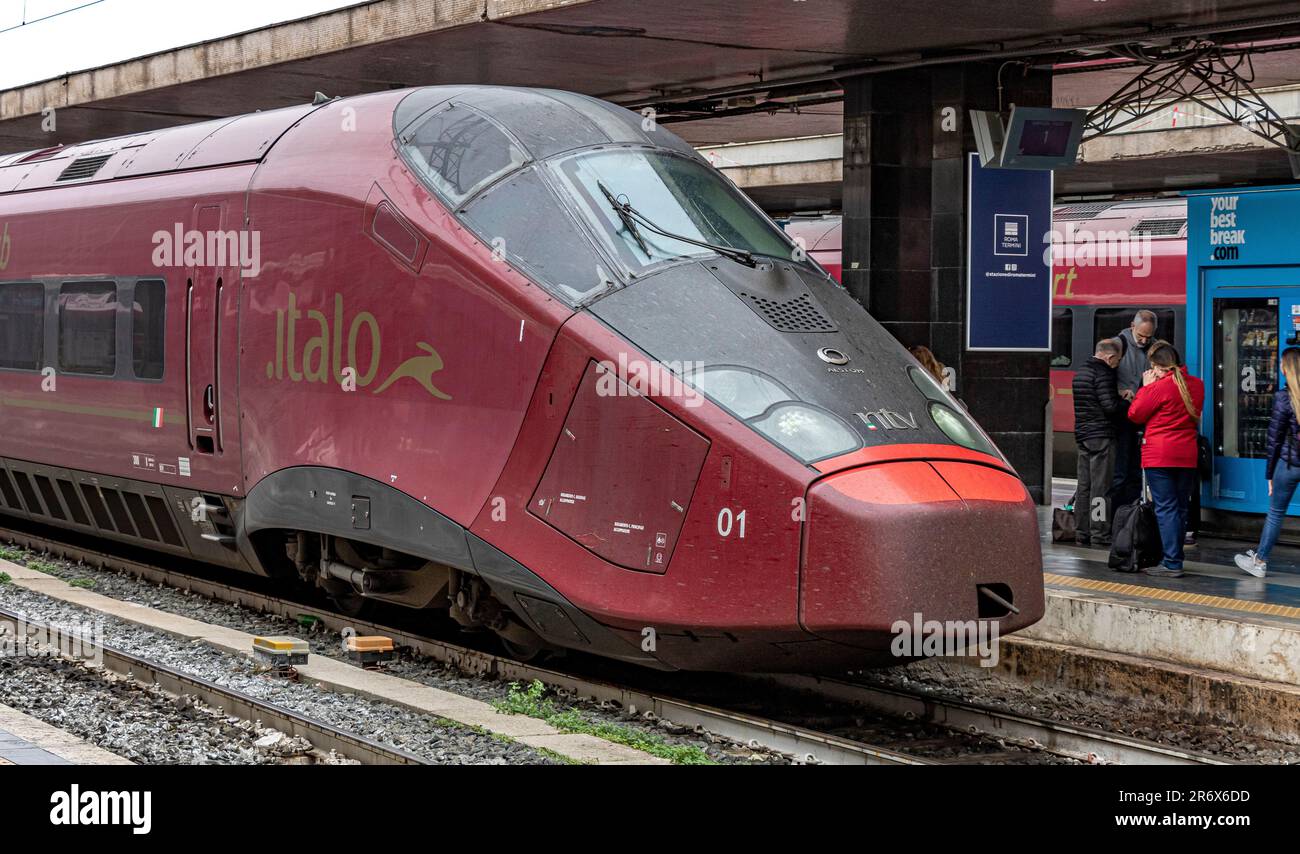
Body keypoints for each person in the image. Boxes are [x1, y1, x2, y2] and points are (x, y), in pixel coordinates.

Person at [1126, 339, 1205, 578]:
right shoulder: (1197, 385)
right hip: (1187, 455)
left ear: (1158, 367)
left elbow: (1135, 414)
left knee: (1166, 508)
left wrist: (1145, 386)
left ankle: (1172, 562)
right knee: (1180, 508)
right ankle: (1174, 557)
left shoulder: (1159, 387)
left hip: (1160, 455)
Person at [1234, 347, 1300, 578]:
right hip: (1291, 462)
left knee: (1276, 513)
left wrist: (1269, 474)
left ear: (1285, 369)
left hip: (1289, 464)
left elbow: (1274, 440)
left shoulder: (1284, 398)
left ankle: (1259, 561)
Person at [1071, 338, 1126, 547]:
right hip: (1101, 436)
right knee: (1101, 489)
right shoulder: (1103, 373)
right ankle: (1099, 532)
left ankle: (1081, 531)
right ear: (1110, 356)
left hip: (1083, 435)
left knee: (1084, 486)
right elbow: (1110, 407)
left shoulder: (1082, 371)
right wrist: (1125, 401)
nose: (1116, 365)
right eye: (1117, 361)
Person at [1111, 310, 1158, 506]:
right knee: (1119, 470)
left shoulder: (1155, 348)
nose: (1144, 341)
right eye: (1140, 336)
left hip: (1141, 416)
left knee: (1136, 471)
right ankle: (1115, 514)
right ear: (1132, 326)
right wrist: (1118, 391)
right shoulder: (1117, 345)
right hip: (1122, 418)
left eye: (1148, 337)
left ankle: (1130, 514)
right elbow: (1102, 376)